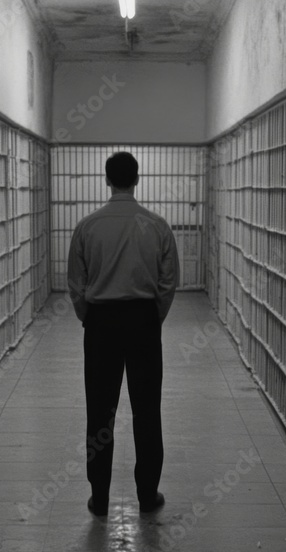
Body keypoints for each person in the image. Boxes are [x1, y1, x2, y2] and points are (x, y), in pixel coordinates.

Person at [67, 151, 180, 516]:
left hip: (101, 323)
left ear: (106, 179)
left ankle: (100, 497)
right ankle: (147, 494)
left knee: (100, 412)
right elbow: (168, 282)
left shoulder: (87, 226)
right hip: (143, 320)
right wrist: (152, 317)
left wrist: (90, 316)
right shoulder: (157, 225)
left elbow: (76, 283)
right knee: (147, 410)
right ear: (137, 179)